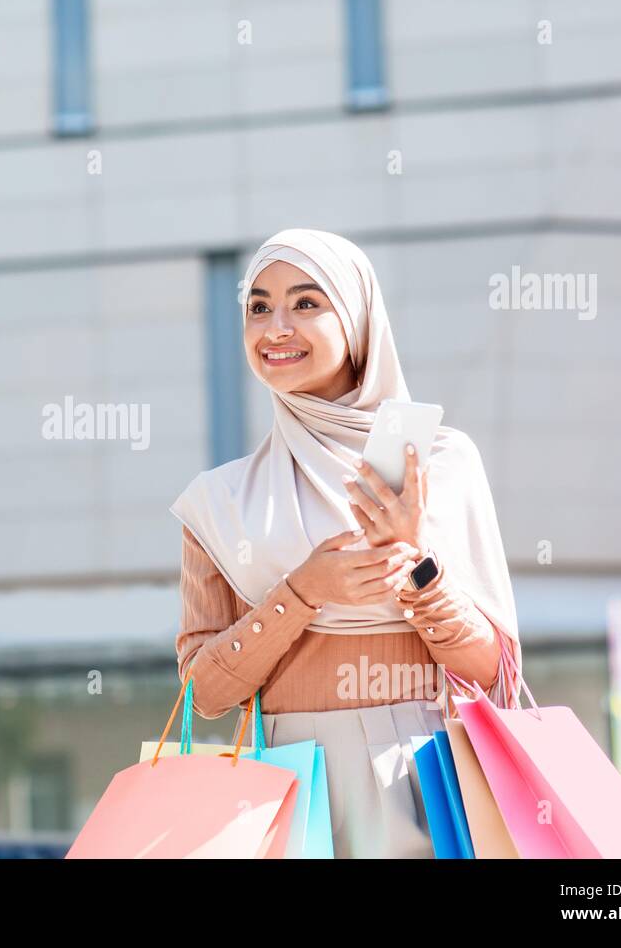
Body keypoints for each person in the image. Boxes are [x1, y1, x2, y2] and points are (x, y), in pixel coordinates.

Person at [169, 228, 522, 858]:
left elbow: (493, 670)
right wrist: (303, 592)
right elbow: (206, 694)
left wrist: (414, 569)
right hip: (286, 792)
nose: (276, 326)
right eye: (258, 306)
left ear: (358, 321)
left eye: (306, 303)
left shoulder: (438, 463)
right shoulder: (220, 501)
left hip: (428, 781)